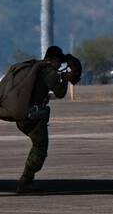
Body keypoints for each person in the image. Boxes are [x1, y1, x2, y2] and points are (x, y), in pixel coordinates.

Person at [15, 46, 81, 194]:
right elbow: (60, 92)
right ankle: (26, 181)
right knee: (40, 149)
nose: (59, 66)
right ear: (52, 60)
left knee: (38, 147)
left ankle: (26, 180)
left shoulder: (37, 68)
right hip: (33, 117)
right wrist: (66, 77)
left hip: (24, 114)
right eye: (59, 62)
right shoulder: (48, 71)